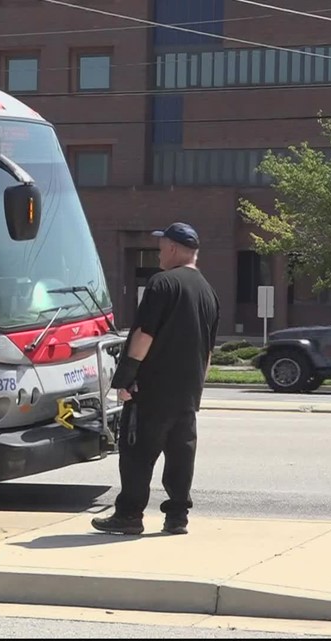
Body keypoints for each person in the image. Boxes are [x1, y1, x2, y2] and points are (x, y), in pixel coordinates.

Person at [92, 222, 220, 536]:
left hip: (152, 389)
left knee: (136, 453)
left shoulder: (161, 284)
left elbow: (143, 335)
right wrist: (197, 390)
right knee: (180, 456)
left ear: (174, 248)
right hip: (187, 394)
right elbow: (208, 351)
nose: (159, 251)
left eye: (162, 246)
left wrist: (125, 378)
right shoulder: (209, 292)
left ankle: (129, 515)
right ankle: (177, 517)